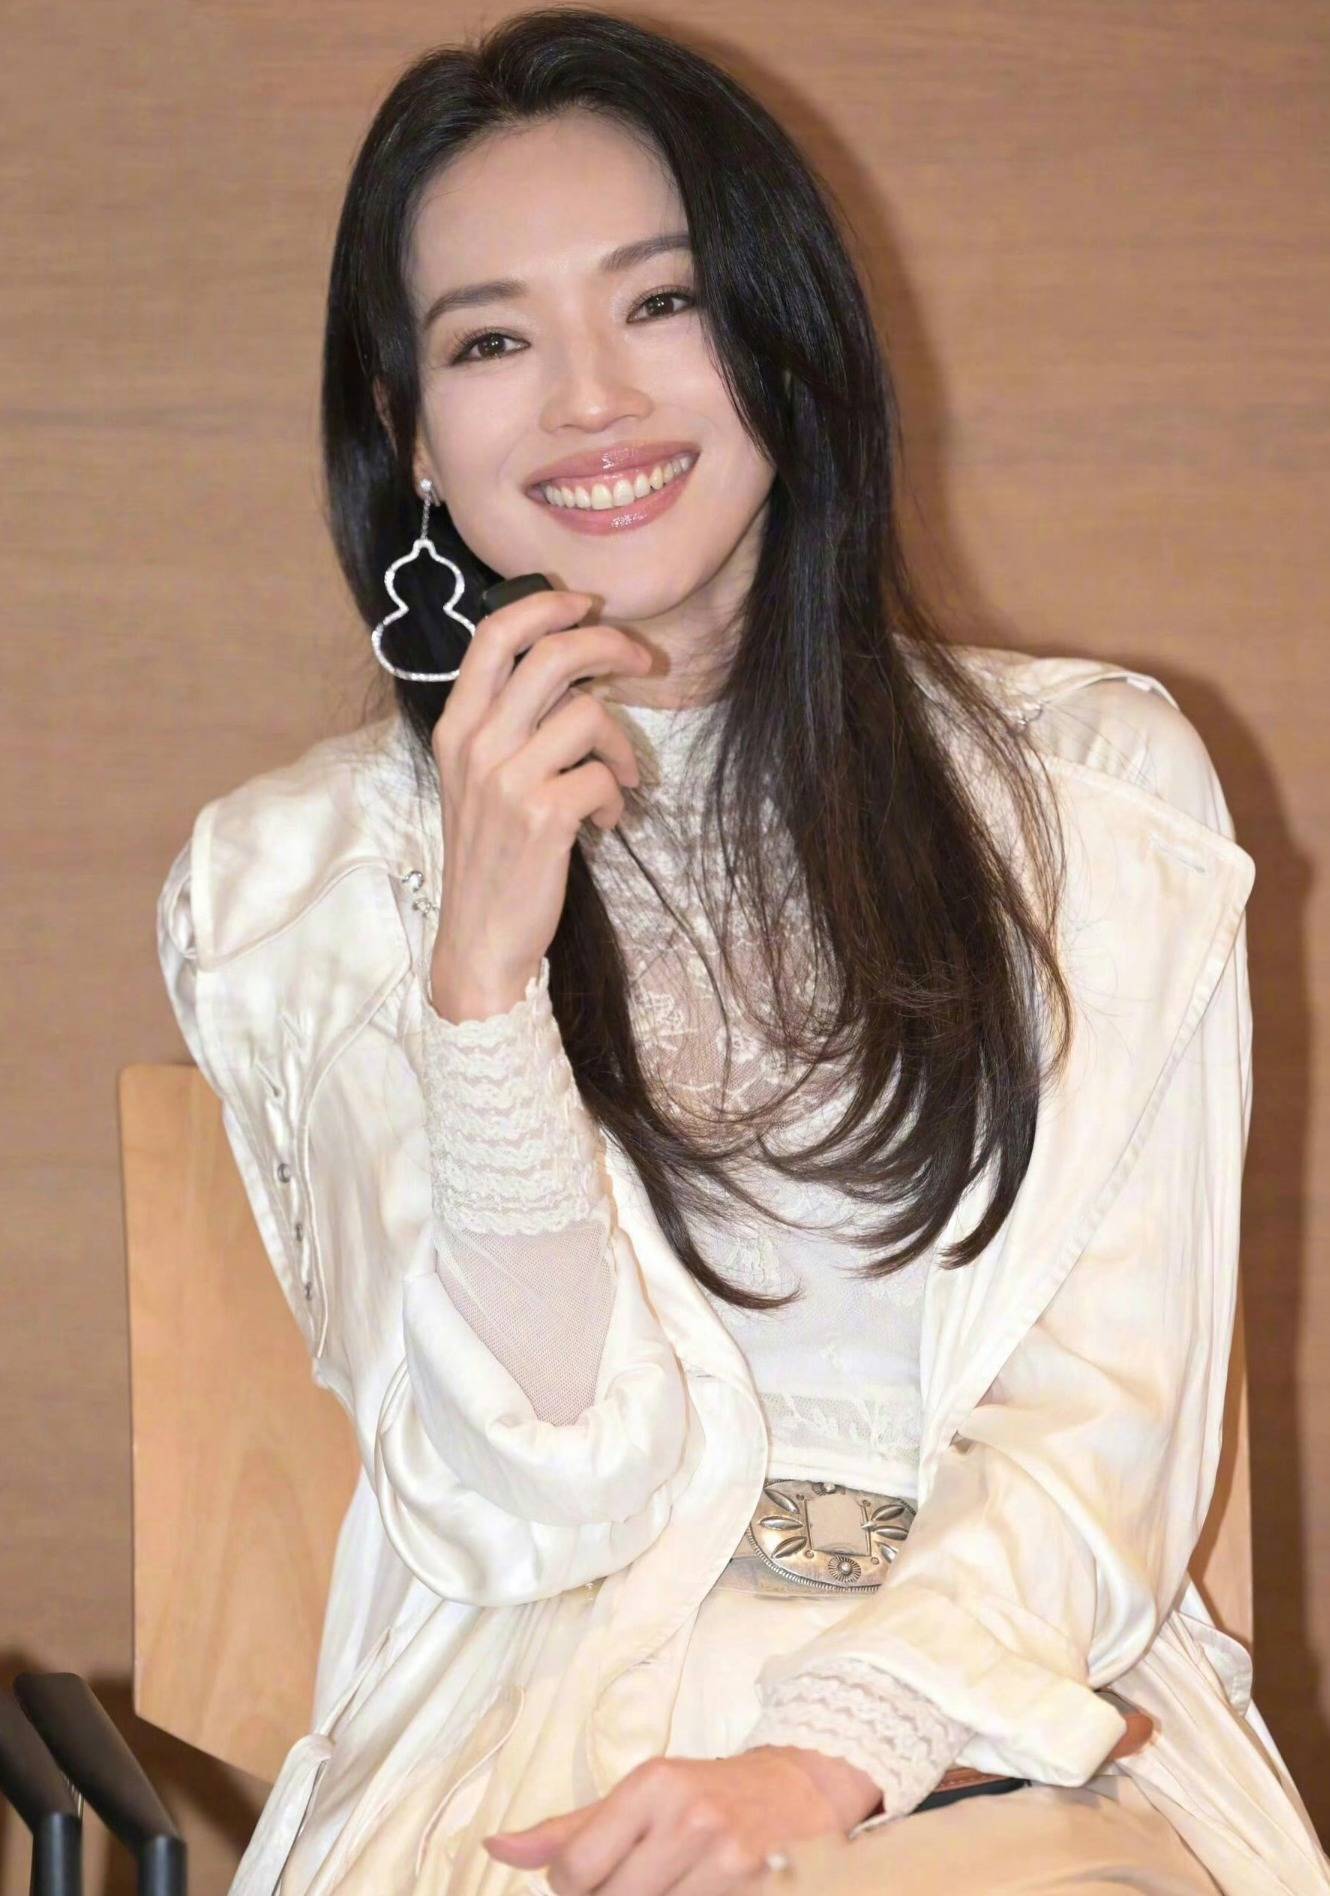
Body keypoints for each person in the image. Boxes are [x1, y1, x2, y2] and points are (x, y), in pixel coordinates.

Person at [155, 9, 1330, 1892]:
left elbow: (1108, 1422)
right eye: (490, 341)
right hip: (535, 1715)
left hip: (997, 1719)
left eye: (662, 302)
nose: (590, 402)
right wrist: (482, 984)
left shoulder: (1093, 798)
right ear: (409, 437)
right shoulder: (299, 879)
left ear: (783, 340)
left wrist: (823, 1756)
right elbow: (528, 1499)